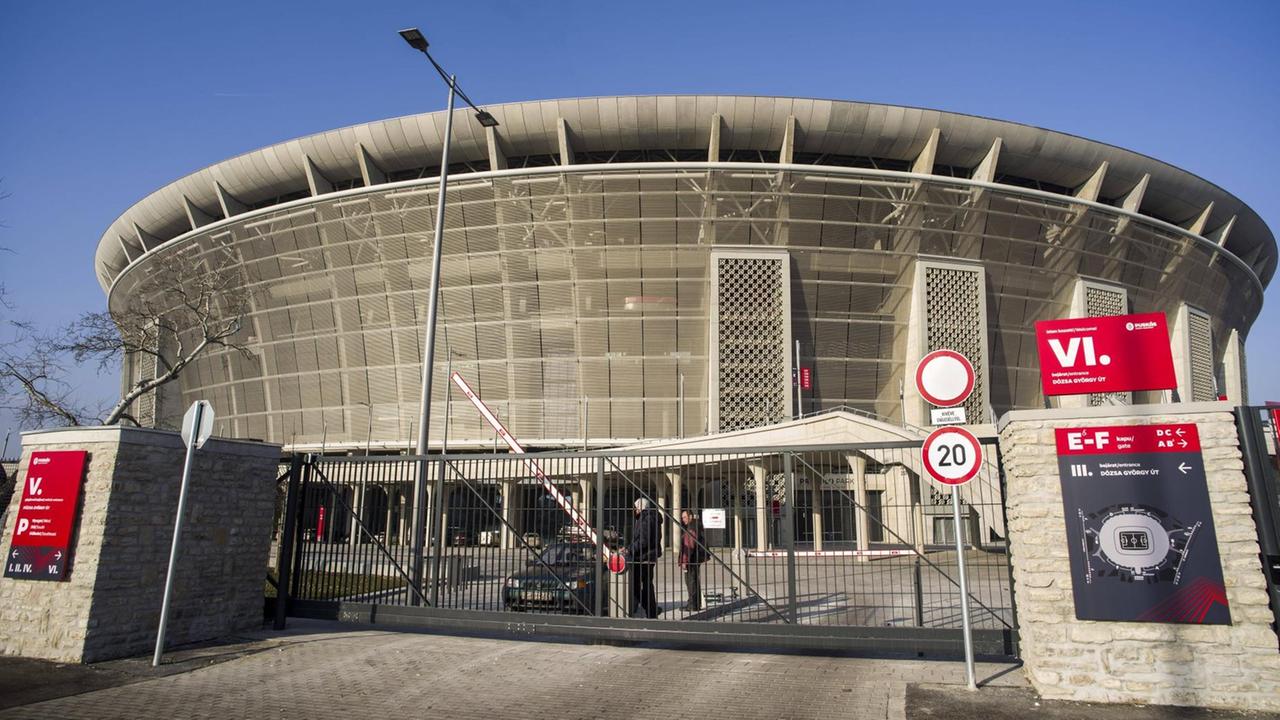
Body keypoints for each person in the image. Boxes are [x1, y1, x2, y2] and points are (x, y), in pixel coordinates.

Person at [623, 497, 662, 618]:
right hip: (646, 557)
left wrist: (629, 549)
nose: (635, 510)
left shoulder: (647, 518)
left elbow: (643, 540)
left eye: (636, 507)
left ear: (641, 507)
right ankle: (651, 609)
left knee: (638, 586)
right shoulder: (649, 517)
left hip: (643, 557)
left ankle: (650, 609)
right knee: (646, 584)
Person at [678, 509, 707, 612]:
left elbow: (689, 546)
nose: (683, 519)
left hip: (691, 559)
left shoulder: (692, 528)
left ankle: (692, 605)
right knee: (694, 580)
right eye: (682, 518)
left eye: (685, 517)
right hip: (696, 558)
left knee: (691, 582)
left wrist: (684, 561)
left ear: (690, 517)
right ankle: (696, 603)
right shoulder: (697, 525)